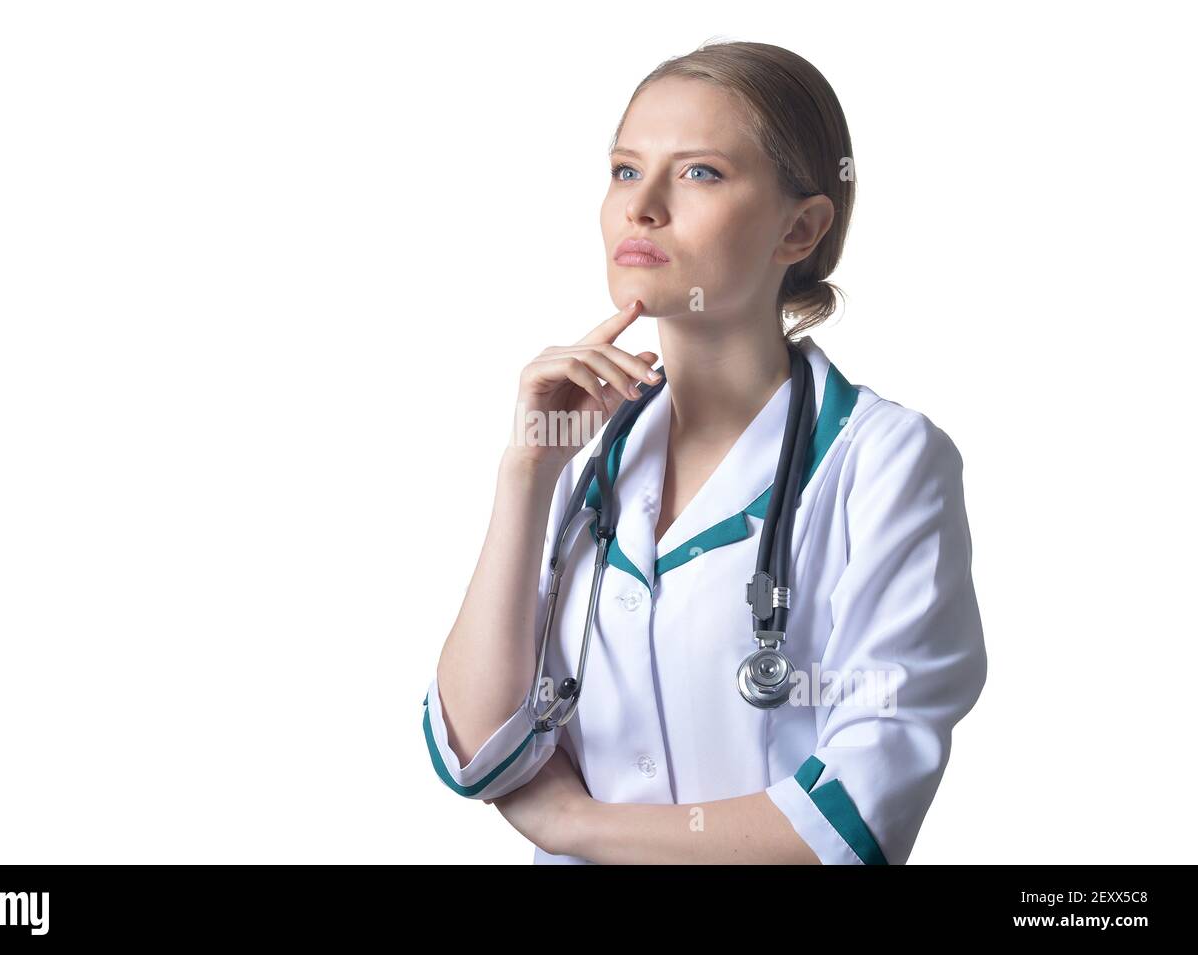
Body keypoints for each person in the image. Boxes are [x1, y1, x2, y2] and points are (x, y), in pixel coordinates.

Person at [421, 40, 987, 864]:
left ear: (800, 227)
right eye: (623, 170)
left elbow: (852, 817)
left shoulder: (886, 464)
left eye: (699, 173)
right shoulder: (594, 463)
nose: (641, 207)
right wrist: (527, 471)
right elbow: (477, 748)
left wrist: (576, 826)